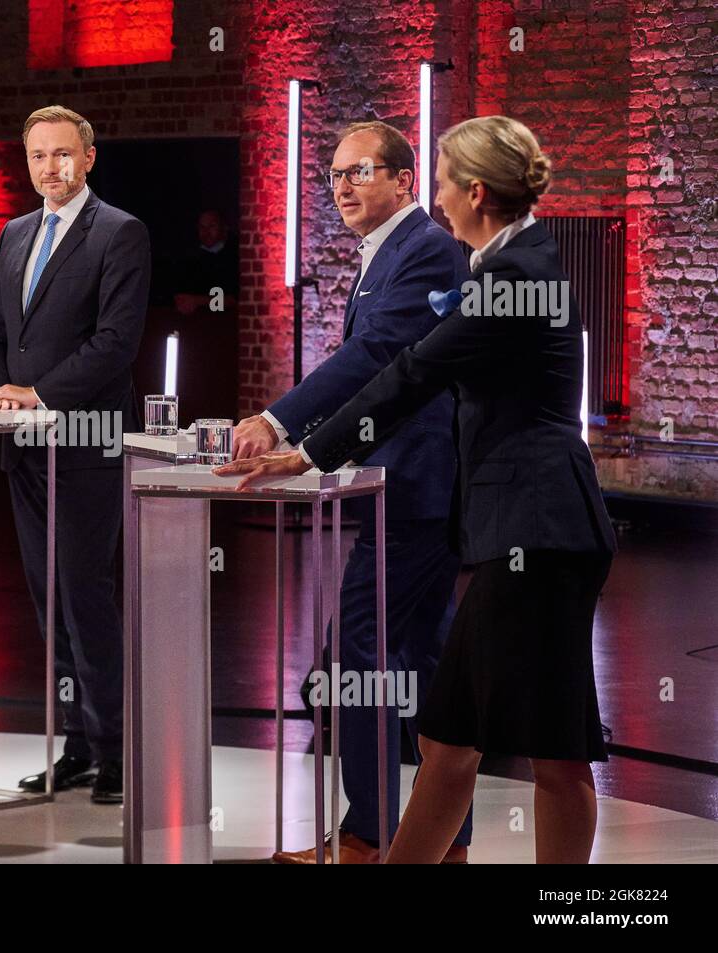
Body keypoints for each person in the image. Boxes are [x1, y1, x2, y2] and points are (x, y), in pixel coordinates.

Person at [218, 115, 617, 864]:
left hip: (541, 528)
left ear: (473, 190)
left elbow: (410, 372)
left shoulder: (514, 276)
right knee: (446, 735)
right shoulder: (506, 263)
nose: (435, 199)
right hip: (513, 527)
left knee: (554, 755)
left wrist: (306, 449)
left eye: (438, 183)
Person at [234, 121, 471, 864]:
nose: (341, 186)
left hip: (417, 487)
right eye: (334, 174)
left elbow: (374, 356)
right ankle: (444, 841)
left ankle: (369, 836)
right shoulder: (388, 253)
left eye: (359, 171)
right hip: (403, 486)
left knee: (355, 658)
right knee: (420, 659)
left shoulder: (425, 248)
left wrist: (281, 424)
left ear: (404, 180)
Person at [0, 105, 150, 803]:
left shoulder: (120, 233)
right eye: (38, 156)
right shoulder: (14, 235)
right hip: (26, 448)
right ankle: (77, 743)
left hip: (88, 441)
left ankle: (116, 750)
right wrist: (3, 399)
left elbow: (115, 343)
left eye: (63, 154)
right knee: (50, 601)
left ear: (89, 157)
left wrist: (36, 392)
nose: (51, 167)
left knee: (84, 593)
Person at [172, 209, 238, 315]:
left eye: (212, 226)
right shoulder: (190, 259)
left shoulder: (237, 258)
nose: (206, 232)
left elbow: (236, 300)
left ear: (224, 228)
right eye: (202, 227)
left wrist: (198, 301)